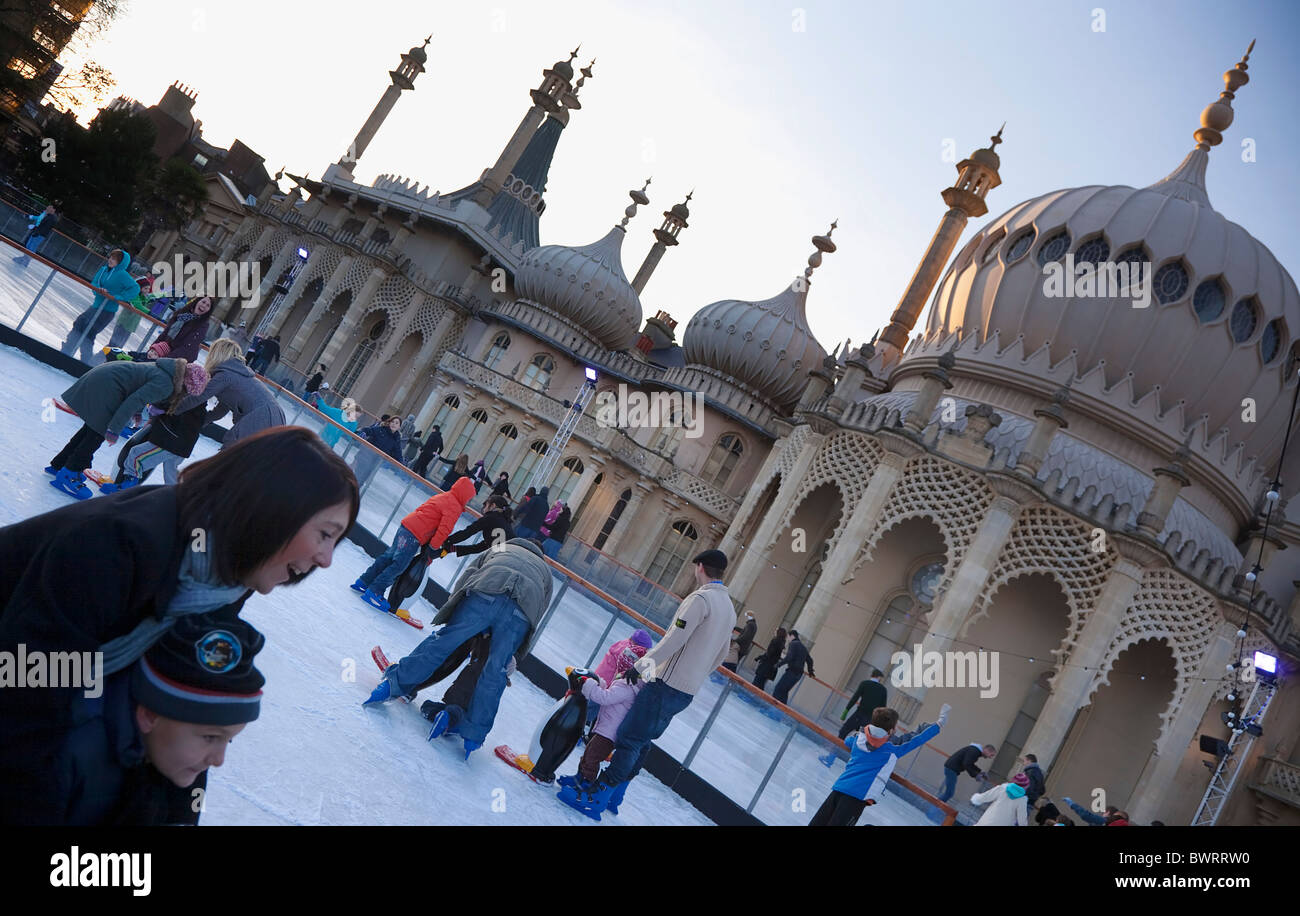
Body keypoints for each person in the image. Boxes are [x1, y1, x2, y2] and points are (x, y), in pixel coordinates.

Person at [1, 427, 360, 825]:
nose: (326, 559)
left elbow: (190, 703)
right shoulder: (120, 544)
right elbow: (23, 693)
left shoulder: (220, 576)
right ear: (274, 511)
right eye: (325, 534)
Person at [40, 608, 266, 825]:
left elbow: (189, 810)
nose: (218, 760)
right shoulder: (68, 752)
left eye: (229, 739)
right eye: (210, 737)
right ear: (149, 715)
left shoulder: (181, 761)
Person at [557, 549, 736, 817]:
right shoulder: (729, 608)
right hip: (686, 691)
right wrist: (695, 676)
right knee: (642, 740)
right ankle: (615, 796)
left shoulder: (701, 599)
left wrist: (640, 667)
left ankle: (598, 796)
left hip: (666, 683)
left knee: (630, 738)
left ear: (699, 567)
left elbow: (674, 640)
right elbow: (722, 654)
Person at [364, 538, 555, 759]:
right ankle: (473, 735)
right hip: (520, 613)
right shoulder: (546, 573)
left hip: (485, 591)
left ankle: (393, 685)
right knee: (494, 671)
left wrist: (453, 616)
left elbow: (468, 576)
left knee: (443, 643)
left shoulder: (502, 547)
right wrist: (514, 653)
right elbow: (538, 612)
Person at [46, 357, 200, 499]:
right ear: (186, 385)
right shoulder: (166, 384)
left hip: (103, 380)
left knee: (90, 429)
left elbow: (138, 390)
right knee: (97, 434)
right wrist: (114, 429)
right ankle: (69, 473)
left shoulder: (168, 371)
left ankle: (59, 464)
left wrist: (138, 412)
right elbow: (133, 400)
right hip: (108, 388)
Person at [808, 704, 950, 826]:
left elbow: (847, 741)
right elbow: (916, 740)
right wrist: (939, 723)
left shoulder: (859, 740)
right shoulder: (891, 750)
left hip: (840, 787)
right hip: (858, 796)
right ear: (891, 731)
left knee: (818, 822)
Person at [352, 476, 476, 612]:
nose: (468, 502)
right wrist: (433, 547)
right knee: (399, 565)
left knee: (387, 558)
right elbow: (444, 529)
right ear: (464, 494)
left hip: (406, 527)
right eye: (469, 498)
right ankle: (375, 591)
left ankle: (364, 581)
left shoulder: (444, 496)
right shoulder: (454, 507)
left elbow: (423, 507)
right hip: (414, 535)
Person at [101, 363, 211, 493]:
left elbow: (169, 410)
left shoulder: (185, 400)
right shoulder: (198, 403)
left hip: (169, 442)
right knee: (170, 472)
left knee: (136, 455)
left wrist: (157, 408)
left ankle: (125, 488)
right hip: (180, 445)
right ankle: (178, 499)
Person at [170, 339, 287, 449]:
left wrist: (171, 411)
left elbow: (198, 397)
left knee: (232, 449)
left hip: (261, 415)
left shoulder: (225, 375)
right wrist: (198, 423)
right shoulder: (237, 374)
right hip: (275, 416)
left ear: (217, 354)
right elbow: (220, 411)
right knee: (244, 454)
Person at [564, 652, 645, 797]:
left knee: (592, 757)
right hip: (606, 728)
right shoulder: (626, 682)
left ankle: (586, 784)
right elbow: (609, 692)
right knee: (589, 753)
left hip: (609, 733)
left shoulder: (628, 686)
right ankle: (579, 778)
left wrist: (588, 684)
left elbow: (604, 698)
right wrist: (599, 683)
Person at [61, 249, 142, 363]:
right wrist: (98, 290)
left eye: (114, 259)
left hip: (107, 311)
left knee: (89, 333)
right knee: (79, 324)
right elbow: (94, 283)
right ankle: (66, 350)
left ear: (120, 262)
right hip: (95, 306)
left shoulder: (122, 275)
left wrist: (118, 296)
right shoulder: (103, 270)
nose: (110, 260)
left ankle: (86, 361)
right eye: (111, 257)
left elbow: (135, 288)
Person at [440, 494, 515, 558]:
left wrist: (446, 541)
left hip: (502, 558)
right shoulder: (504, 521)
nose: (484, 508)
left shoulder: (490, 517)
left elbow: (467, 532)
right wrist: (453, 548)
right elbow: (481, 547)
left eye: (485, 504)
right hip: (511, 555)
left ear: (493, 506)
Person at [145, 296, 213, 363]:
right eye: (203, 302)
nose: (204, 306)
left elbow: (186, 347)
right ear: (197, 301)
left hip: (180, 360)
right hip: (164, 351)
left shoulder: (202, 325)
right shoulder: (182, 313)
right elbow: (165, 334)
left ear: (209, 310)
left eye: (208, 305)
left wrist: (165, 360)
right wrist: (152, 349)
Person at [354, 415, 405, 486]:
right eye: (392, 422)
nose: (394, 424)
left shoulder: (396, 439)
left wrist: (402, 466)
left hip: (374, 463)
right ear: (389, 423)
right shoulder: (381, 429)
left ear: (399, 427)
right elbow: (368, 430)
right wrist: (361, 432)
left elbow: (398, 453)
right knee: (356, 478)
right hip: (365, 457)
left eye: (396, 423)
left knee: (361, 481)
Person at [839, 669, 888, 741]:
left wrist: (846, 711)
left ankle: (834, 748)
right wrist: (879, 724)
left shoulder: (865, 684)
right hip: (870, 719)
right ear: (879, 677)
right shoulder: (883, 689)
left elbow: (855, 698)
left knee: (844, 731)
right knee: (861, 738)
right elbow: (883, 708)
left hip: (859, 714)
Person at [772, 629, 814, 705]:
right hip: (798, 674)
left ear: (792, 636)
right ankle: (782, 710)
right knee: (784, 692)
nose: (788, 639)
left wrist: (778, 664)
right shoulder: (803, 647)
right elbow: (810, 660)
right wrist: (810, 671)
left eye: (788, 636)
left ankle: (773, 707)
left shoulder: (793, 644)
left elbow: (789, 657)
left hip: (792, 671)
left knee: (778, 690)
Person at [752, 627, 786, 692]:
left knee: (757, 683)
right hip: (771, 668)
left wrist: (760, 657)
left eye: (776, 630)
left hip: (766, 666)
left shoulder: (775, 641)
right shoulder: (781, 642)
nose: (774, 631)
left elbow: (769, 653)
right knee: (761, 684)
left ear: (779, 632)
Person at [1060, 798, 1130, 826]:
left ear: (1108, 813)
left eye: (1104, 813)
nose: (1102, 814)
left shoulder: (1105, 822)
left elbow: (1086, 815)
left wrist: (1072, 804)